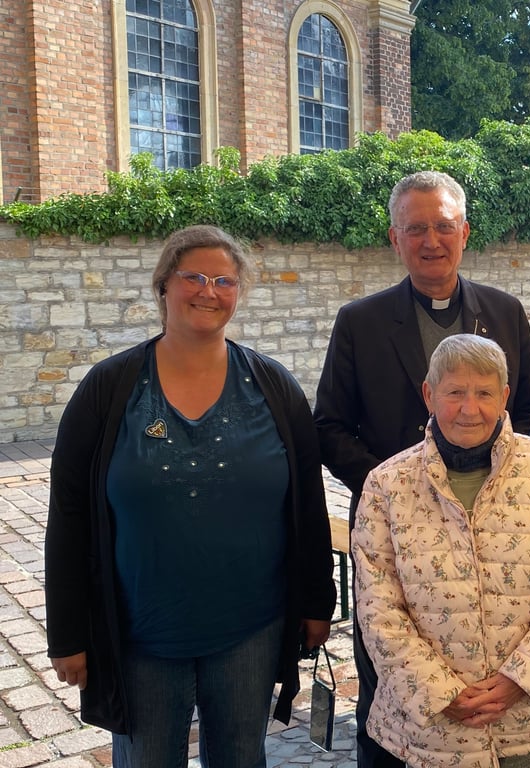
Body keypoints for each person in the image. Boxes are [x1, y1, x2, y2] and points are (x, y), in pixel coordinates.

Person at [44, 225, 337, 767]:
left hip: (250, 629)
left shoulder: (274, 388)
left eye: (224, 281)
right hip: (141, 635)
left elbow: (307, 505)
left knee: (241, 759)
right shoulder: (108, 390)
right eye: (194, 277)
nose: (209, 291)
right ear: (163, 285)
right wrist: (67, 634)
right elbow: (69, 516)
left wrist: (318, 604)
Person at [314, 170, 530, 767]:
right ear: (395, 238)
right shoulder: (360, 322)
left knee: (495, 682)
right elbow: (330, 427)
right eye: (415, 228)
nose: (431, 240)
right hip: (396, 540)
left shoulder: (505, 311)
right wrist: (398, 489)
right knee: (392, 684)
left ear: (464, 232)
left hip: (499, 539)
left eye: (444, 226)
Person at [350, 333, 530, 768]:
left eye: (484, 393)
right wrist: (439, 692)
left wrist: (520, 678)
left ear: (504, 397)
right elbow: (378, 607)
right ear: (429, 395)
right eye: (455, 393)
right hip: (430, 727)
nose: (470, 409)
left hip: (522, 717)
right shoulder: (387, 485)